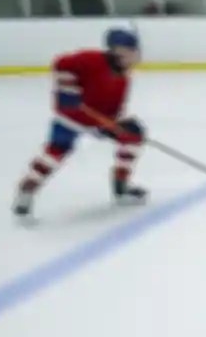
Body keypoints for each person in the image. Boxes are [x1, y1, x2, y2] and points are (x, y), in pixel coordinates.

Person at [12, 28, 146, 219]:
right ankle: (27, 190)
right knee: (56, 152)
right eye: (132, 51)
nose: (135, 56)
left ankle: (121, 186)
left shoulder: (123, 78)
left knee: (133, 135)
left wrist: (116, 123)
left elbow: (114, 109)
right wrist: (67, 87)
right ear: (117, 51)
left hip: (96, 121)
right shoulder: (91, 59)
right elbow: (61, 63)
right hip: (71, 117)